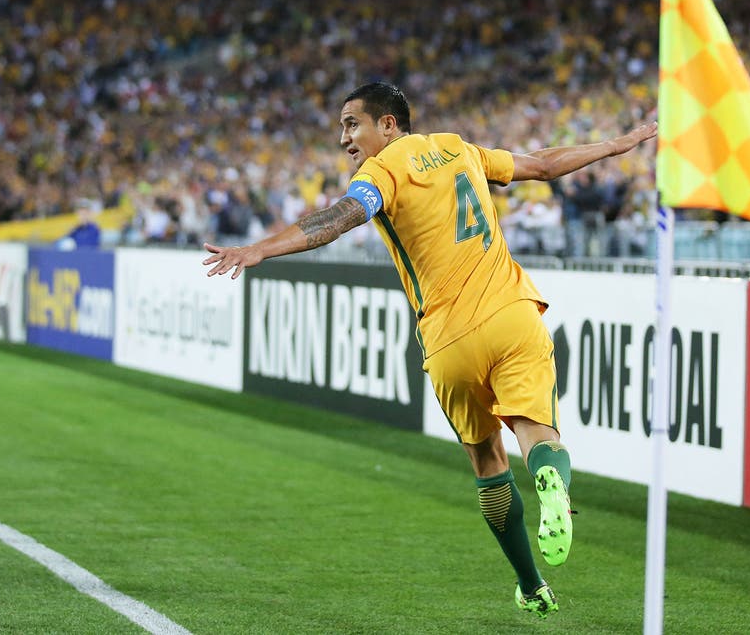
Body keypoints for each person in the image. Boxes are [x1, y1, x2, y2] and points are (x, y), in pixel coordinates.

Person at [203, 82, 657, 618]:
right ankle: (550, 478)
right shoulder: (460, 147)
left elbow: (339, 219)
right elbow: (543, 165)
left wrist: (261, 248)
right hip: (514, 313)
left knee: (488, 461)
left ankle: (532, 585)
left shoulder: (382, 170)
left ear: (389, 124)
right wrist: (614, 145)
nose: (345, 137)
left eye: (354, 124)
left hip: (449, 340)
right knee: (538, 433)